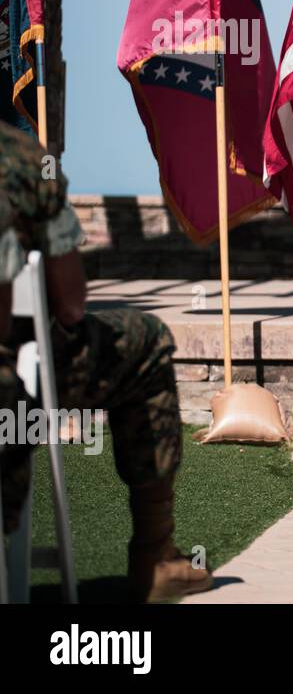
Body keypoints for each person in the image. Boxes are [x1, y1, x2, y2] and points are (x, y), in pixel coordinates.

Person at [0, 120, 213, 601]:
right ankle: (155, 556)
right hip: (11, 387)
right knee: (146, 342)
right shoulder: (21, 160)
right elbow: (71, 306)